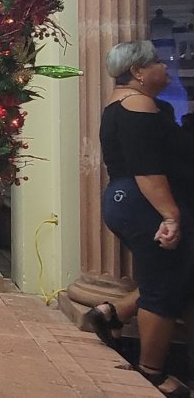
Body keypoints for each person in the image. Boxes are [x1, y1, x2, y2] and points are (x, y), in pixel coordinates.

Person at [84, 41, 192, 397]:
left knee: (168, 276)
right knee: (163, 287)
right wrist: (171, 215)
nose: (165, 67)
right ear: (138, 72)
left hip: (127, 200)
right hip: (142, 203)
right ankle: (152, 374)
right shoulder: (139, 105)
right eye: (157, 62)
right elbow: (148, 169)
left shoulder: (120, 102)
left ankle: (112, 313)